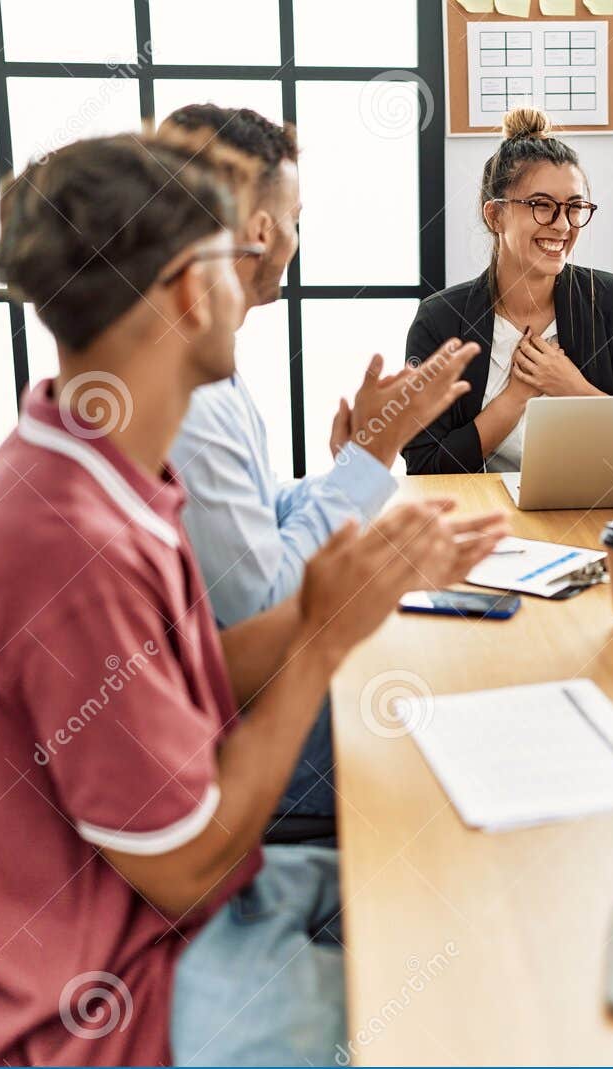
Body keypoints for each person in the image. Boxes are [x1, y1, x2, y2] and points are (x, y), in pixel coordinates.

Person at [0, 132, 505, 1066]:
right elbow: (189, 873)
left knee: (479, 884)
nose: (256, 270)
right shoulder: (69, 547)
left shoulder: (95, 460)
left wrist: (344, 591)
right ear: (192, 291)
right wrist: (320, 636)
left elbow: (186, 677)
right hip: (128, 988)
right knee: (478, 1006)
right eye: (235, 253)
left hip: (177, 912)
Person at [155, 105, 475, 829]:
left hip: (226, 701)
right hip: (221, 745)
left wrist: (353, 466)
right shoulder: (188, 398)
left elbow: (261, 512)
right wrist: (368, 459)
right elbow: (267, 607)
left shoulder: (203, 369)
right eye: (296, 217)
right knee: (448, 737)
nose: (296, 238)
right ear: (263, 232)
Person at [403, 107, 613, 475]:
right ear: (495, 216)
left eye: (575, 207)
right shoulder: (440, 320)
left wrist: (572, 388)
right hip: (485, 519)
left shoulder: (612, 300)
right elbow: (426, 466)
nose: (562, 225)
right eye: (542, 206)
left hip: (594, 511)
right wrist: (514, 398)